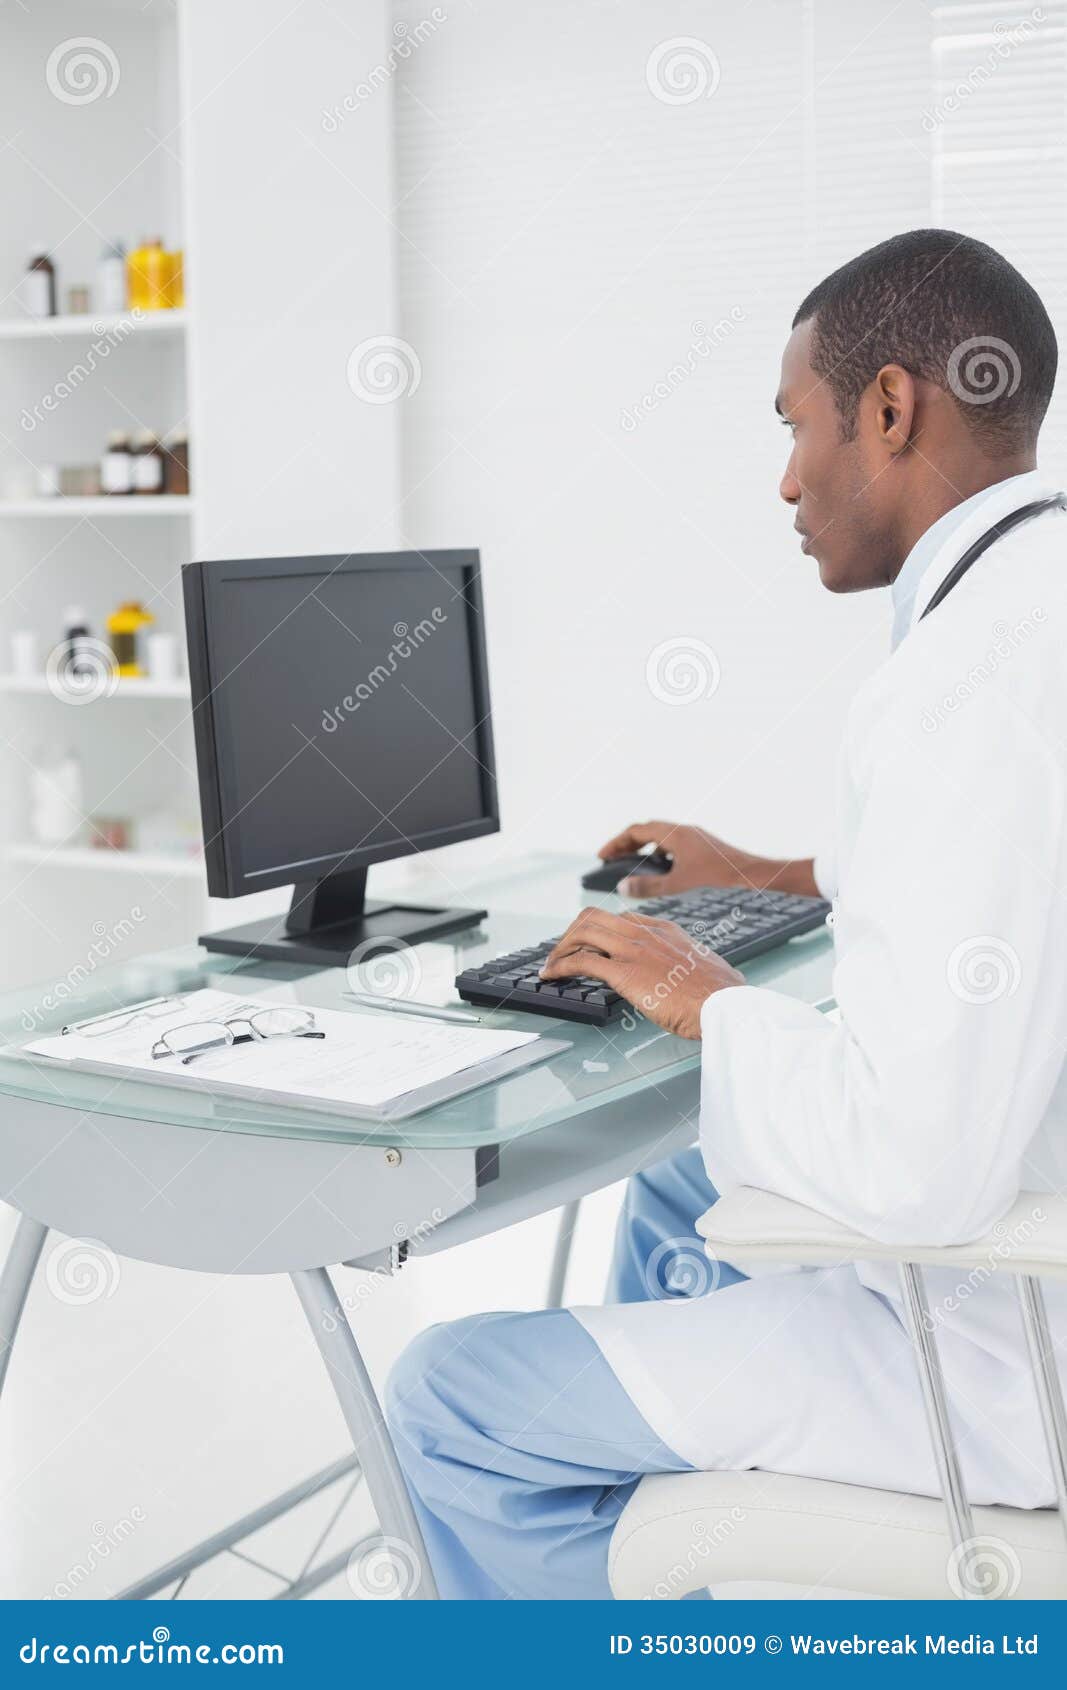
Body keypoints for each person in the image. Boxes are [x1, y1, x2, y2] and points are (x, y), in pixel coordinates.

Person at [386, 229, 1067, 1600]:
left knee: (446, 1392)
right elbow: (1014, 877)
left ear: (889, 408)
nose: (785, 479)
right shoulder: (1029, 607)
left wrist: (710, 996)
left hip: (999, 1346)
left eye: (795, 426)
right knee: (677, 1185)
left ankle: (643, 1550)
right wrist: (774, 873)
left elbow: (920, 1168)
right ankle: (674, 1557)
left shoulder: (961, 685)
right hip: (1014, 1236)